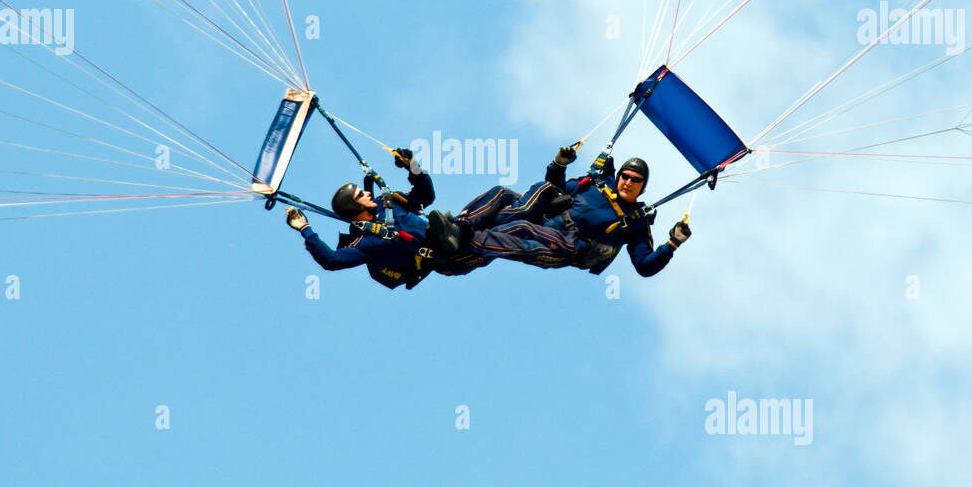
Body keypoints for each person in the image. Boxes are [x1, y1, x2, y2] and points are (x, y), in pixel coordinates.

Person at [427, 147, 691, 277]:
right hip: (542, 220)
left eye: (635, 180)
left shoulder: (636, 222)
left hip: (567, 245)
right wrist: (558, 165)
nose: (628, 182)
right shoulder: (597, 183)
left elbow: (644, 266)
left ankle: (457, 254)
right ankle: (458, 229)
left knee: (516, 230)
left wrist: (672, 244)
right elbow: (556, 188)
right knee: (503, 193)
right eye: (625, 176)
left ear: (643, 187)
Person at [284, 148, 514, 289]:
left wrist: (413, 167)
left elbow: (426, 196)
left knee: (501, 195)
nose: (366, 193)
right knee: (515, 231)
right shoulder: (367, 243)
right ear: (355, 207)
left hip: (456, 231)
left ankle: (546, 206)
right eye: (359, 195)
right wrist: (305, 229)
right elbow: (332, 260)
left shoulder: (389, 205)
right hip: (451, 259)